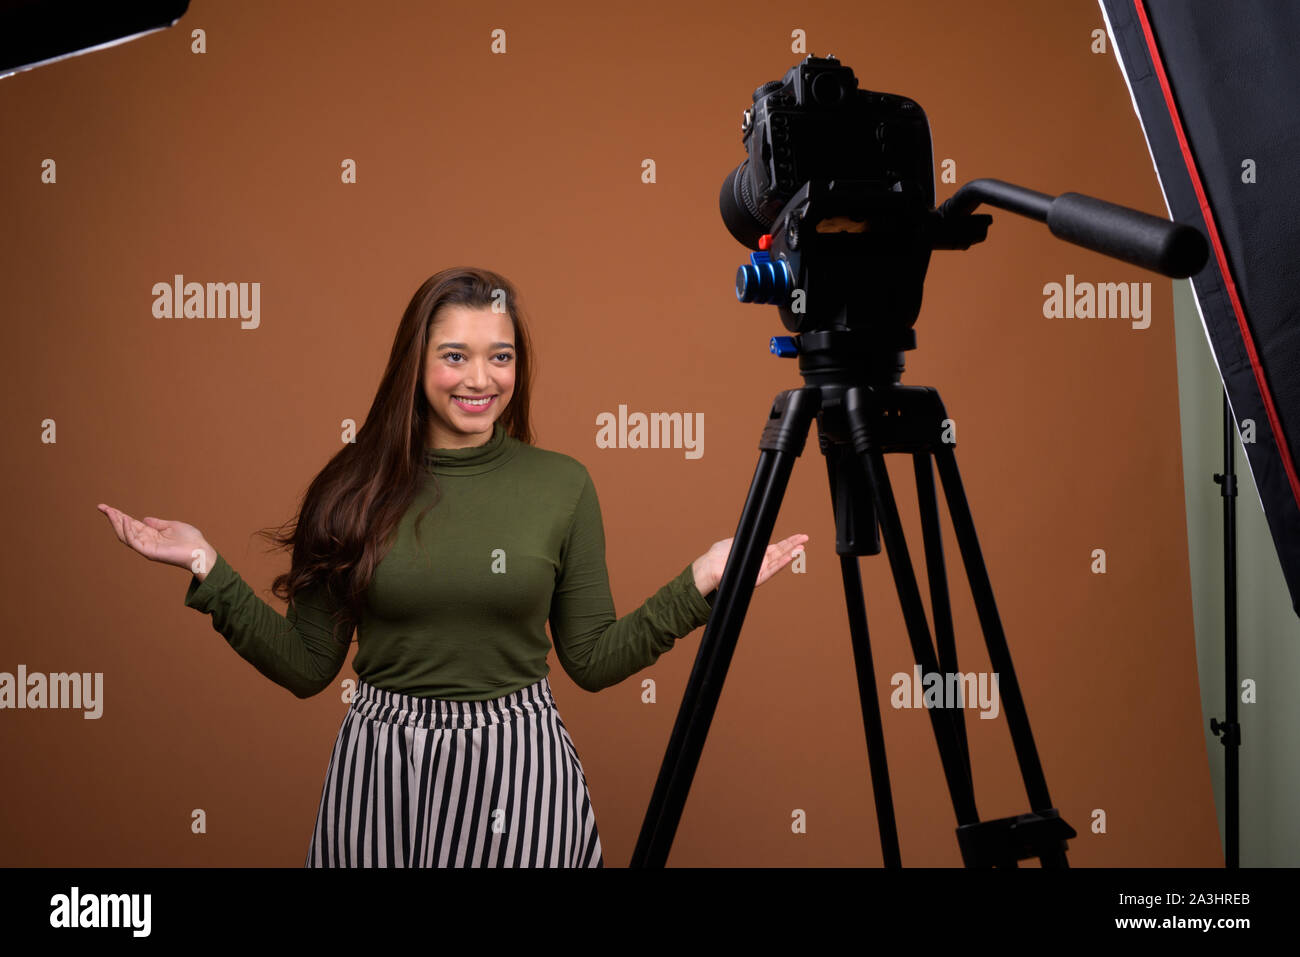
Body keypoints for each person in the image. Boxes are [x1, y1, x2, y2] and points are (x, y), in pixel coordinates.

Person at [98, 266, 808, 867]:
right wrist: (206, 565)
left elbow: (592, 658)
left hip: (520, 766)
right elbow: (307, 664)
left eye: (500, 356)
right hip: (379, 770)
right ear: (417, 363)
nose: (480, 378)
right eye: (455, 355)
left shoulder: (560, 485)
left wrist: (701, 582)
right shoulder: (352, 484)